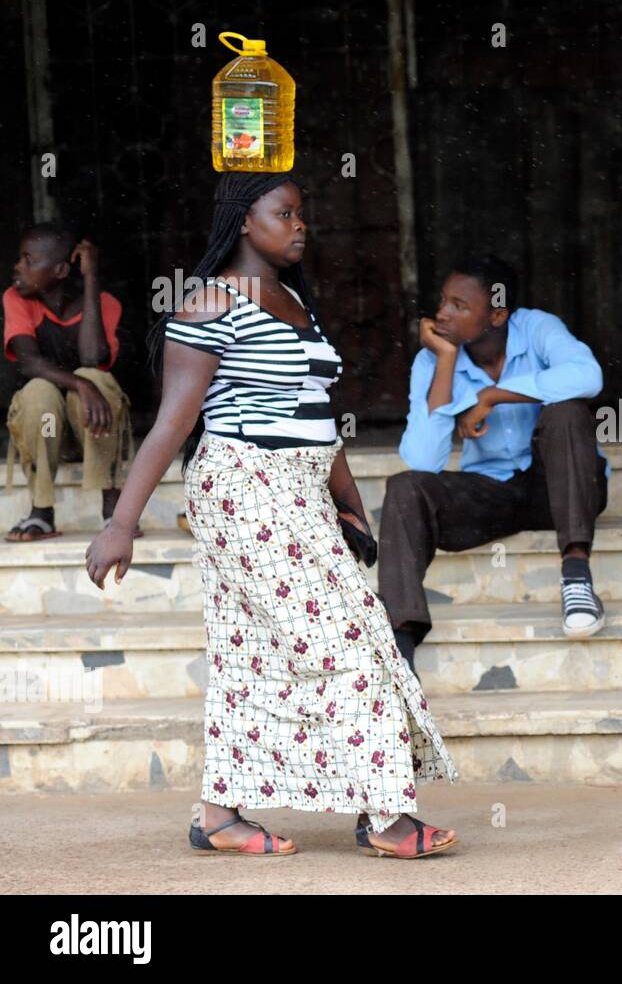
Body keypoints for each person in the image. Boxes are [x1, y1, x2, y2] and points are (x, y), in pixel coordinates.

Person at [83, 172, 459, 859]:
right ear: (243, 222)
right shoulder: (207, 305)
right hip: (243, 484)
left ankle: (219, 815)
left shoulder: (292, 301)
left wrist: (350, 502)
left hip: (300, 487)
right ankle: (386, 815)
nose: (299, 225)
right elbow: (172, 422)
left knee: (247, 652)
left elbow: (316, 415)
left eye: (301, 213)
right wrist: (122, 522)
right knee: (346, 640)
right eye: (283, 213)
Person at [379, 254, 609, 671]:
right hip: (492, 494)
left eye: (459, 306)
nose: (442, 313)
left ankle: (576, 574)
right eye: (443, 301)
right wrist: (446, 360)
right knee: (405, 487)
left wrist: (492, 396)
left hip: (559, 488)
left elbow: (587, 376)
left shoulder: (537, 328)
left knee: (567, 411)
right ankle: (401, 640)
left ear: (498, 315)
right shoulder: (430, 360)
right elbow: (422, 460)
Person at [5, 224, 138, 541]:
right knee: (39, 390)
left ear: (61, 270)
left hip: (93, 430)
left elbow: (93, 359)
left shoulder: (105, 303)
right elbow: (28, 362)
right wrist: (81, 385)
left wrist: (91, 279)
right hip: (49, 432)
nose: (18, 267)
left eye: (28, 260)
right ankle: (42, 512)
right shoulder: (16, 298)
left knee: (95, 377)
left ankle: (112, 507)